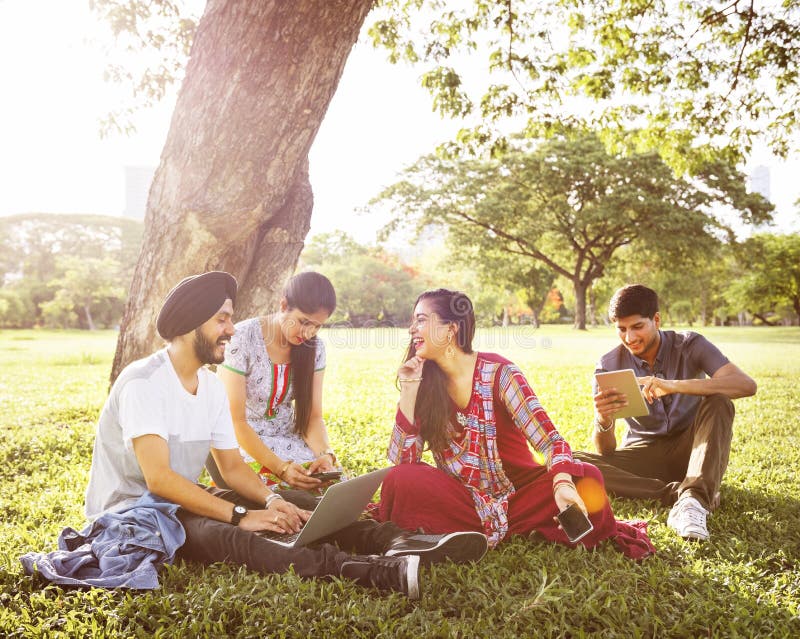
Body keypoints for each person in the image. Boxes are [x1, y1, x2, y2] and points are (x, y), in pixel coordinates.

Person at [76, 271, 488, 598]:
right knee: (227, 535)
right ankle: (368, 571)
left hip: (180, 497)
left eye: (230, 318)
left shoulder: (211, 385)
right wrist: (243, 514)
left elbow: (233, 467)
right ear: (188, 326)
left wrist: (273, 500)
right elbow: (159, 480)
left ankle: (399, 540)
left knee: (297, 505)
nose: (232, 330)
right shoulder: (143, 382)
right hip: (134, 513)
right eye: (222, 319)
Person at [375, 288, 655, 559]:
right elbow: (403, 460)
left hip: (520, 496)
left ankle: (465, 532)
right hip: (462, 499)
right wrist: (410, 388)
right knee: (398, 479)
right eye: (413, 321)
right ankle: (506, 530)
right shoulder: (425, 382)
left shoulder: (500, 374)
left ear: (451, 329)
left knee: (587, 478)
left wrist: (562, 484)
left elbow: (550, 441)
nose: (412, 329)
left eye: (421, 320)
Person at [573, 284, 757, 541]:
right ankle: (677, 495)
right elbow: (605, 452)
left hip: (693, 451)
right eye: (622, 329)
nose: (630, 338)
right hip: (643, 457)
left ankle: (693, 501)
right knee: (568, 462)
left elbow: (745, 385)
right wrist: (603, 420)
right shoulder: (608, 366)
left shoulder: (689, 344)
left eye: (637, 327)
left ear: (656, 320)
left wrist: (672, 385)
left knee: (719, 402)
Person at [207, 271, 337, 492]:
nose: (308, 333)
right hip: (244, 443)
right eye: (303, 322)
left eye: (317, 326)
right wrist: (282, 469)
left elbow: (313, 417)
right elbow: (235, 421)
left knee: (332, 492)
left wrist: (325, 456)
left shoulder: (315, 348)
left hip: (288, 440)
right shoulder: (241, 338)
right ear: (283, 305)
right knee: (290, 501)